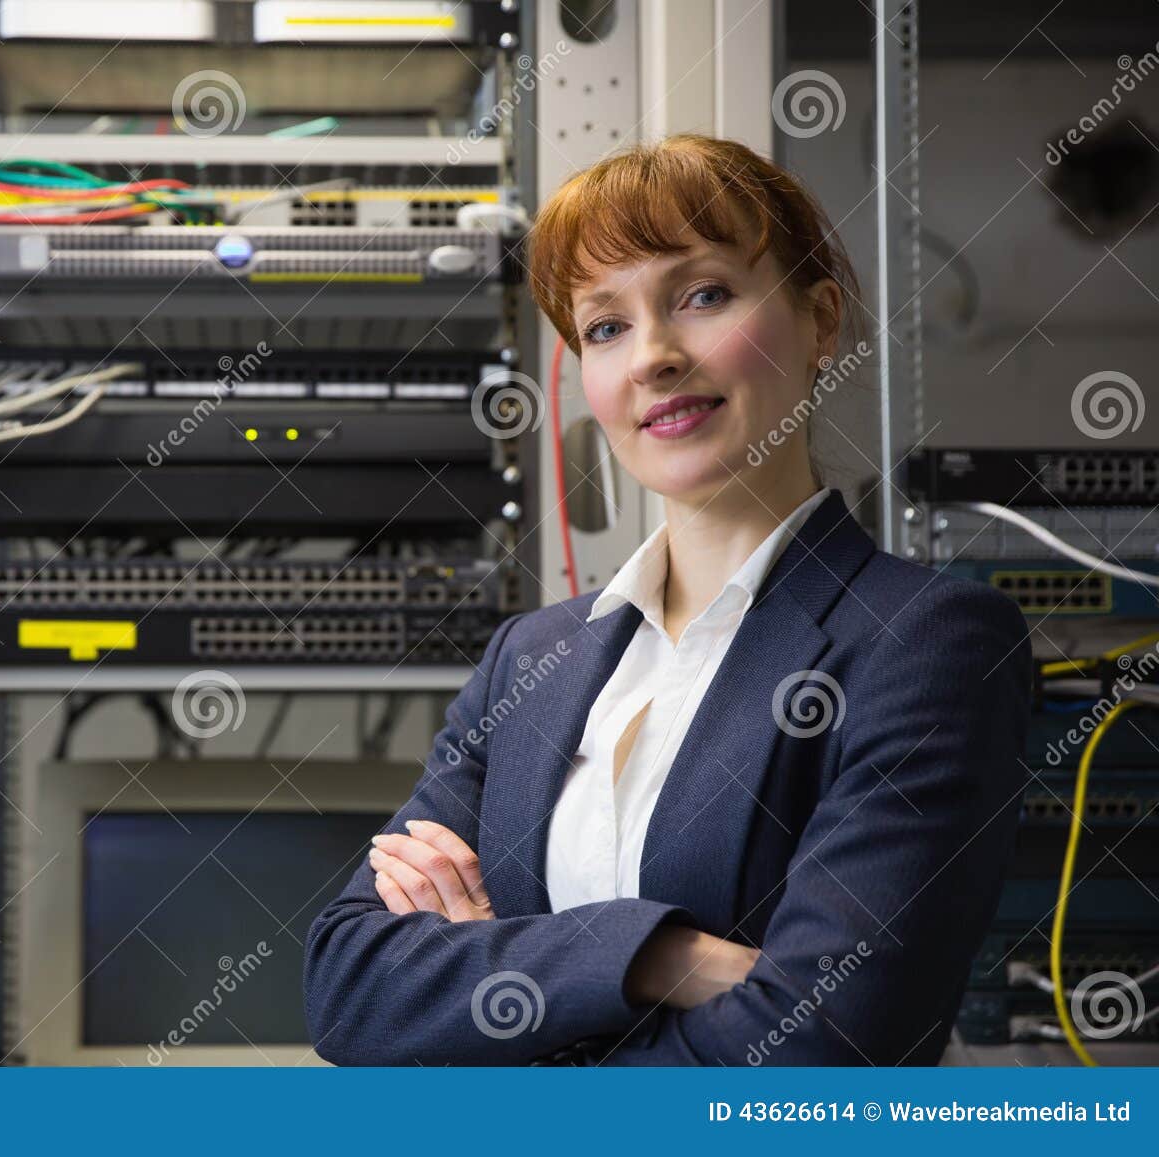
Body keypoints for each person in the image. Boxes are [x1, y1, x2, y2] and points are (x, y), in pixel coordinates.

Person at [302, 133, 1032, 1066]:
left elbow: (829, 1041)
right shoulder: (532, 658)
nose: (652, 356)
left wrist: (498, 992)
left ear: (821, 324)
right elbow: (352, 985)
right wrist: (663, 956)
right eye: (605, 327)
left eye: (704, 295)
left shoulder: (929, 644)